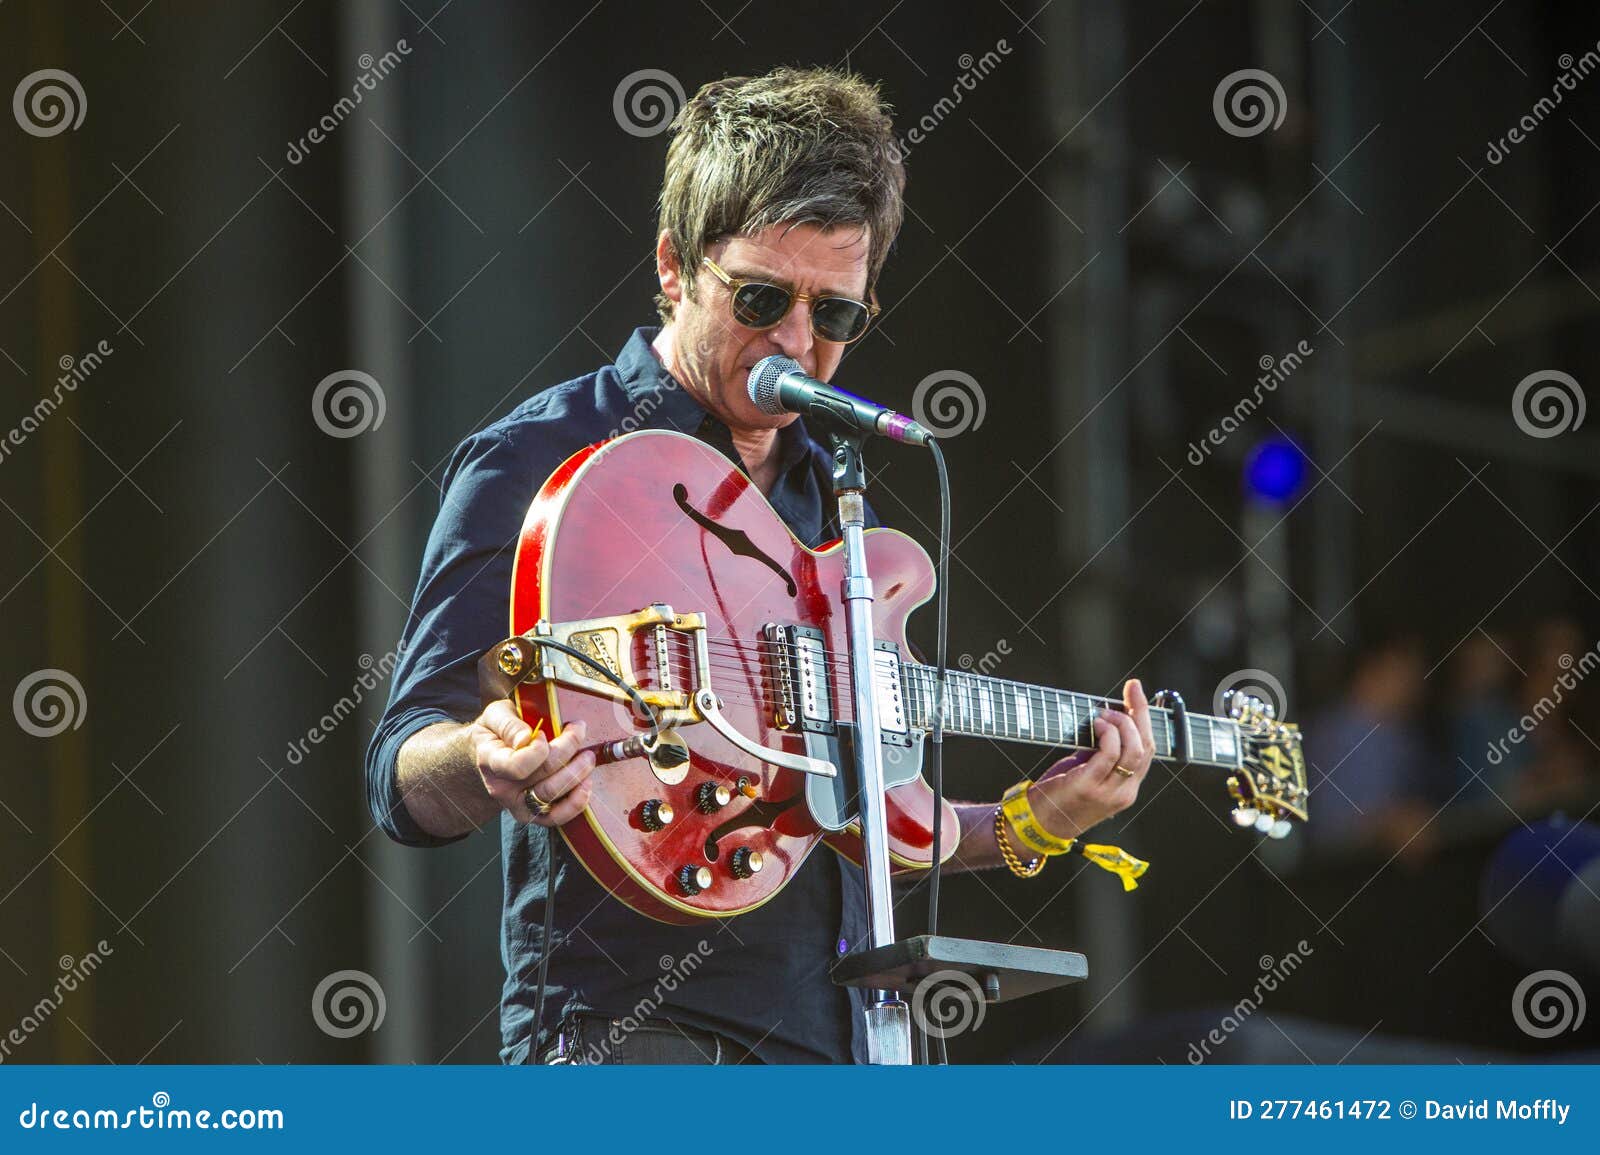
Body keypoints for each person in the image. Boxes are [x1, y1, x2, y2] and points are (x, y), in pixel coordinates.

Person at [365, 67, 1155, 1065]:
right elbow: (401, 775)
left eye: (835, 315)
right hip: (635, 1044)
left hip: (842, 1043)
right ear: (673, 264)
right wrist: (483, 758)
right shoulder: (536, 458)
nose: (794, 341)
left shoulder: (838, 510)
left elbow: (854, 824)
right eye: (761, 297)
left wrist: (1035, 820)